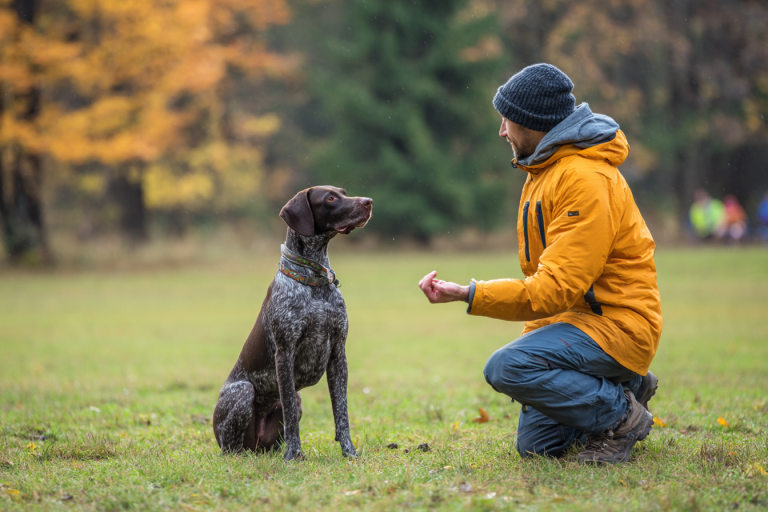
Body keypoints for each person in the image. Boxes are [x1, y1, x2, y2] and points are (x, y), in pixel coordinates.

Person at [418, 64, 662, 463]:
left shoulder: (583, 179)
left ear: (533, 124)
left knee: (506, 368)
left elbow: (554, 288)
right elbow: (547, 281)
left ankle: (622, 417)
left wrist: (470, 294)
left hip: (618, 324)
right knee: (537, 446)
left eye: (507, 120)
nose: (502, 131)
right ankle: (627, 384)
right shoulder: (544, 172)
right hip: (579, 324)